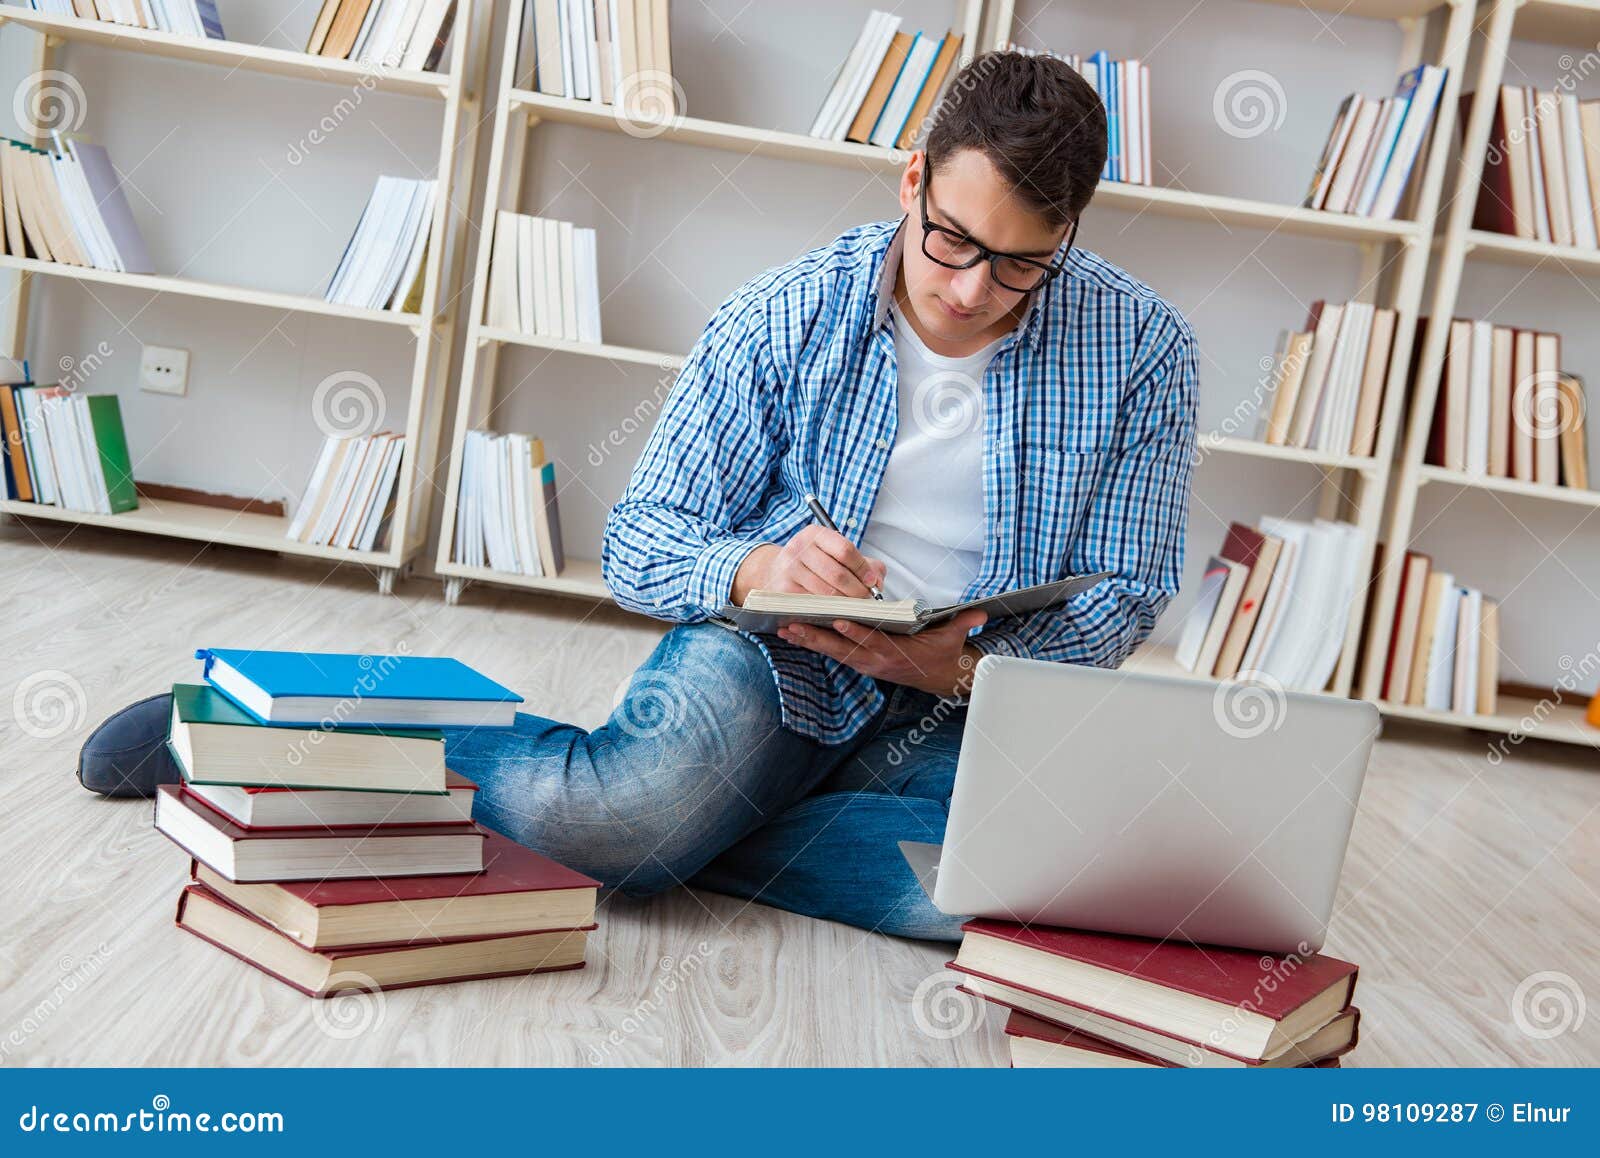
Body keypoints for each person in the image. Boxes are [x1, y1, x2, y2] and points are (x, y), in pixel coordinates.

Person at [80, 51, 1198, 943]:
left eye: (1019, 264)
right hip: (778, 660)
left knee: (995, 890)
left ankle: (693, 834)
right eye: (950, 240)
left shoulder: (1145, 349)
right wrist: (755, 569)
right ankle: (276, 729)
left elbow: (1128, 592)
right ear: (913, 181)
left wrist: (958, 668)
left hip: (976, 699)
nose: (969, 288)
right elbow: (640, 541)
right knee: (610, 820)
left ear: (1067, 235)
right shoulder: (785, 313)